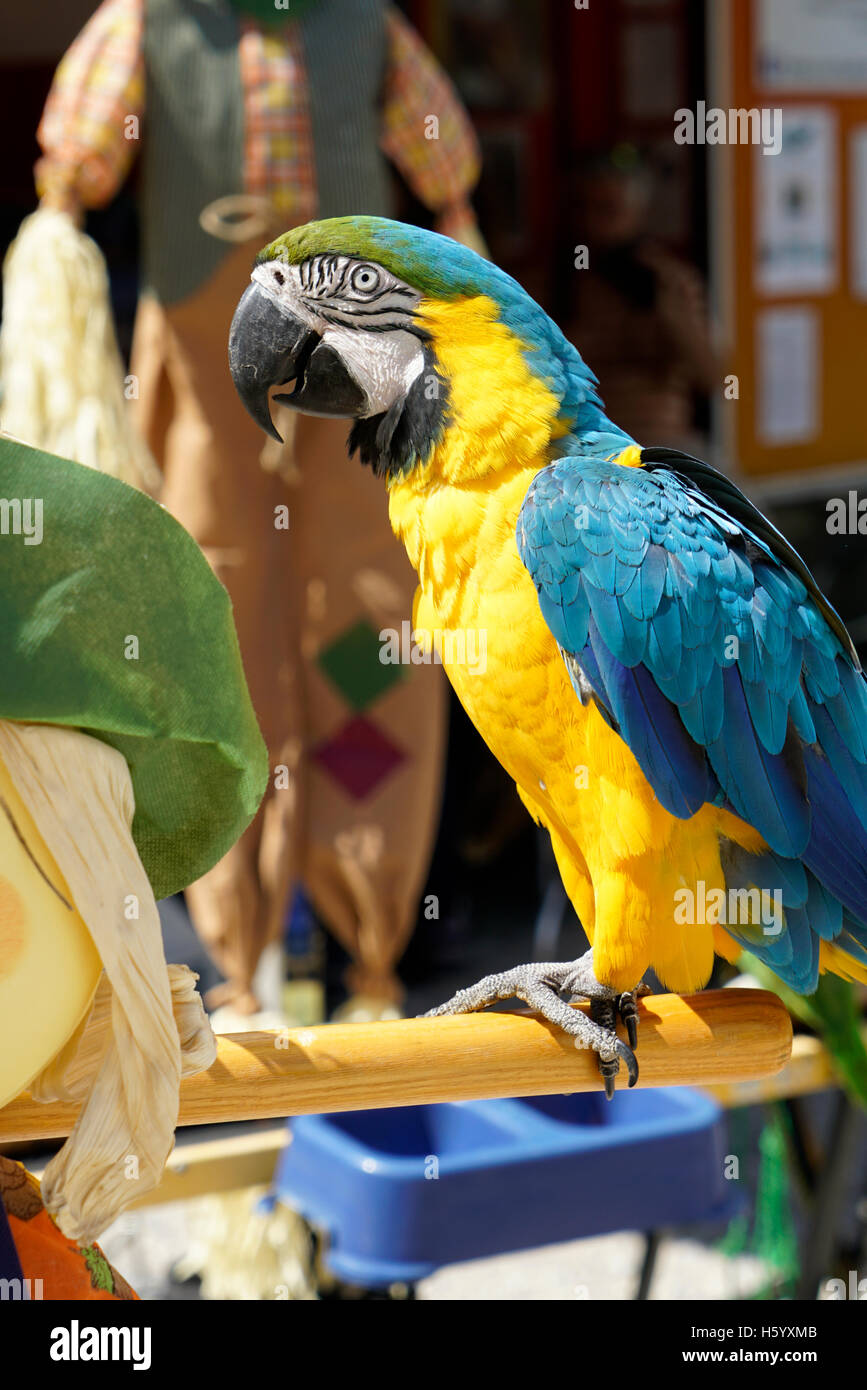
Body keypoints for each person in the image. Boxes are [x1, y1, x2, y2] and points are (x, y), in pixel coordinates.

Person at [34, 0, 487, 1018]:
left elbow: (446, 164)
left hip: (361, 372)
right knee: (212, 629)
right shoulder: (149, 22)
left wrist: (463, 274)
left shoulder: (362, 27)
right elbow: (76, 166)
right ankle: (241, 965)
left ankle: (367, 946)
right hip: (204, 379)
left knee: (372, 630)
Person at [565, 146, 718, 456]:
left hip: (661, 445)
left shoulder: (670, 281)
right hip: (586, 449)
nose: (593, 223)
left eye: (608, 210)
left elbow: (713, 376)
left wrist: (675, 319)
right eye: (585, 208)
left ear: (637, 214)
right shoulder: (564, 280)